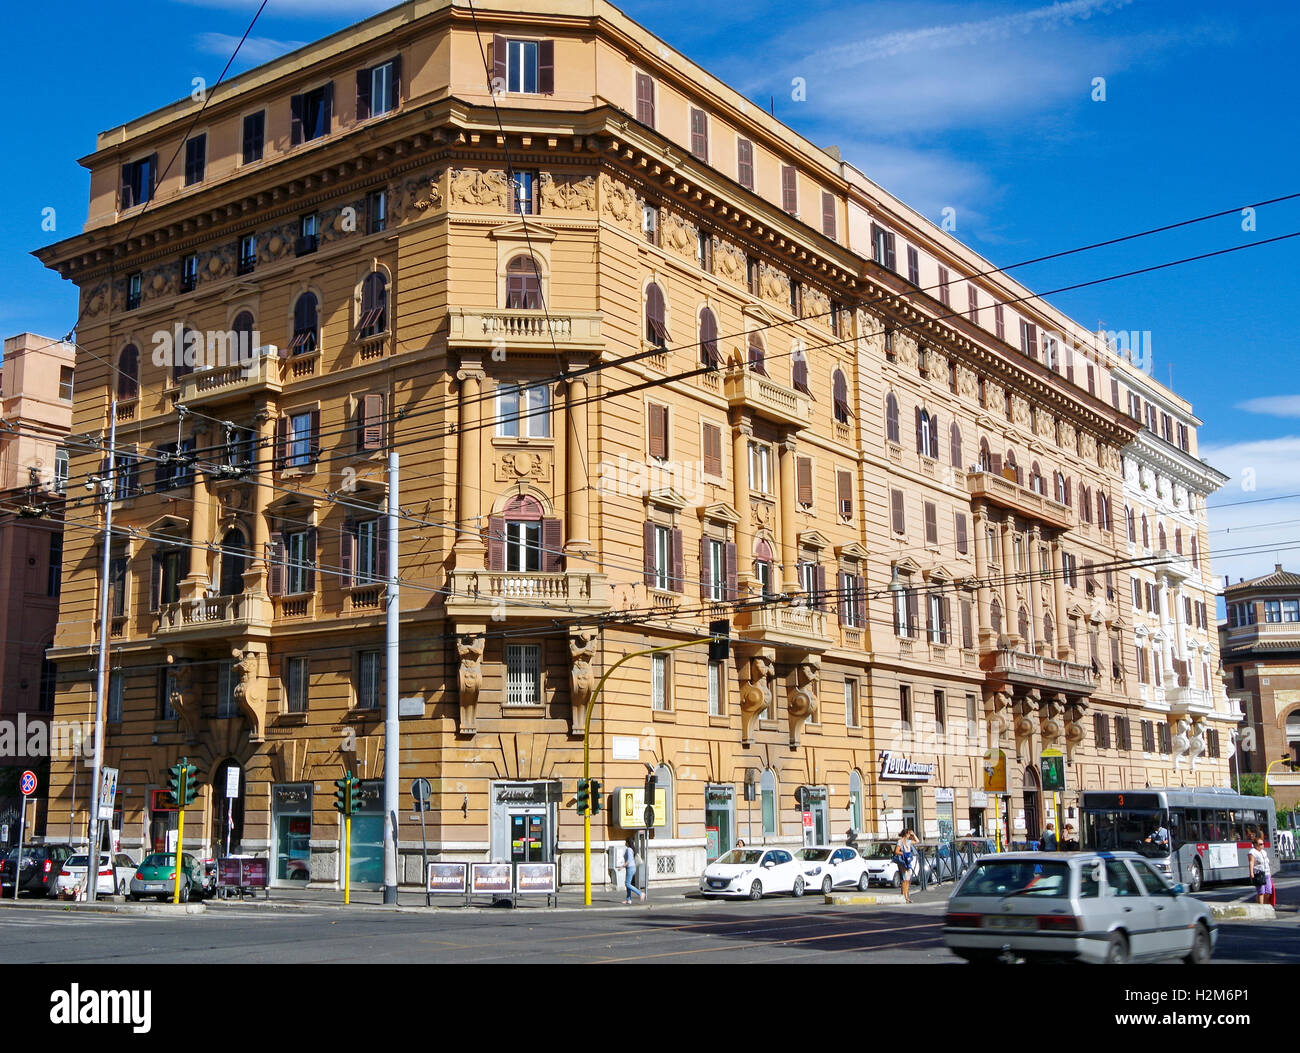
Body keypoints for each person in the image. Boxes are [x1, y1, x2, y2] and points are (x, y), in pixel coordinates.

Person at [894, 828, 919, 904]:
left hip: (908, 861)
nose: (909, 835)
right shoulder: (900, 841)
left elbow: (917, 841)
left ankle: (906, 896)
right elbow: (896, 851)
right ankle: (904, 896)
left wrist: (913, 834)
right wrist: (904, 854)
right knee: (904, 879)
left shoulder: (908, 841)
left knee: (907, 880)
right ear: (906, 834)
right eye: (908, 834)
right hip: (903, 861)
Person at [617, 837, 644, 904]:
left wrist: (622, 867)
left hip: (630, 868)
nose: (625, 843)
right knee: (628, 883)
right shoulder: (631, 849)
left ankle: (640, 893)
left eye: (625, 842)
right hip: (631, 868)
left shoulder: (629, 849)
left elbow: (628, 861)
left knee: (627, 884)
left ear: (628, 843)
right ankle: (628, 899)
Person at [1249, 836, 1273, 905]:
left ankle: (1265, 904)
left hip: (1267, 873)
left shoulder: (1264, 852)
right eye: (1260, 844)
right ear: (1255, 844)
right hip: (1259, 873)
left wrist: (1269, 872)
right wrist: (1251, 873)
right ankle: (1261, 906)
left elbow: (1266, 863)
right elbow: (1251, 862)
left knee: (1269, 891)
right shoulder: (1252, 852)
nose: (1262, 845)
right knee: (1261, 892)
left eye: (1263, 844)